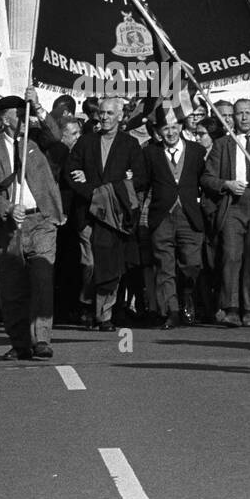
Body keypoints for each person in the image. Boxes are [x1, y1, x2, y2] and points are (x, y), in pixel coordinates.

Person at [0, 95, 65, 360]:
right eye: (20, 115)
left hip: (42, 221)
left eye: (28, 114)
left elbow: (56, 134)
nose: (26, 120)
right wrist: (6, 208)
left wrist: (36, 104)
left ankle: (42, 340)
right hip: (9, 226)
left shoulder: (37, 138)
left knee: (42, 278)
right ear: (5, 120)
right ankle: (20, 342)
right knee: (11, 288)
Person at [65, 96, 144, 331]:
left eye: (110, 113)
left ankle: (104, 315)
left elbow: (139, 178)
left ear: (120, 116)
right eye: (102, 113)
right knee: (89, 263)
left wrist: (115, 189)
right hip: (88, 213)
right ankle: (86, 304)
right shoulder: (86, 142)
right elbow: (71, 172)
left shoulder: (130, 145)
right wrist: (94, 193)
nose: (105, 117)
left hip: (113, 216)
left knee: (109, 265)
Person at [203, 98, 250, 328]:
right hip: (233, 205)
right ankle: (231, 307)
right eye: (238, 113)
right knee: (231, 256)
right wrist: (226, 184)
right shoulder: (223, 144)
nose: (243, 118)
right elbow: (207, 178)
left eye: (247, 113)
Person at [139, 105, 207, 329]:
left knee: (192, 262)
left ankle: (187, 293)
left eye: (174, 127)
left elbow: (203, 179)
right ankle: (172, 310)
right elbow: (142, 182)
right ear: (158, 131)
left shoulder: (196, 151)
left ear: (181, 126)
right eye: (165, 128)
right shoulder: (150, 152)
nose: (170, 132)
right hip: (162, 216)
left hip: (189, 215)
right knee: (164, 265)